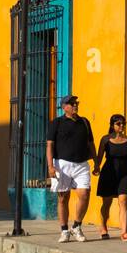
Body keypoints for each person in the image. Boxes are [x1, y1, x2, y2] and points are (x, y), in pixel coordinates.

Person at [45, 95, 96, 243]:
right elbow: (50, 145)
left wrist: (96, 162)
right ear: (64, 106)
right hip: (62, 164)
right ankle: (64, 230)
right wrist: (50, 166)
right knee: (62, 198)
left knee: (85, 193)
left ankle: (77, 226)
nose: (75, 105)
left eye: (76, 103)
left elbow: (91, 144)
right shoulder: (57, 123)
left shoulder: (84, 122)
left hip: (82, 164)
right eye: (72, 103)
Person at [92, 114, 127, 241]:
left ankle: (124, 233)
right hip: (108, 174)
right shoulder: (105, 140)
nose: (122, 126)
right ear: (112, 125)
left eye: (124, 123)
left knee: (123, 202)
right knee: (106, 203)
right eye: (119, 123)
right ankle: (103, 227)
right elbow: (99, 157)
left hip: (125, 175)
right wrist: (96, 168)